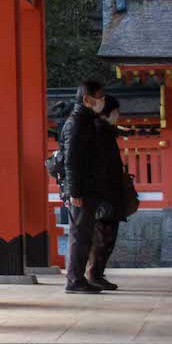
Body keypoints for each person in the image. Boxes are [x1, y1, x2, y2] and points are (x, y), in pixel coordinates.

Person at [59, 79, 109, 294]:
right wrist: (74, 191)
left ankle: (78, 278)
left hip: (89, 186)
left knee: (84, 234)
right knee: (80, 235)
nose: (102, 101)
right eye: (99, 96)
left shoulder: (87, 120)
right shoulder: (77, 122)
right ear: (87, 99)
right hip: (82, 189)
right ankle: (74, 280)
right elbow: (71, 160)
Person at [88, 95, 129, 291]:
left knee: (107, 236)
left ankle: (97, 273)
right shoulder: (99, 132)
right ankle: (94, 273)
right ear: (110, 112)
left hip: (109, 191)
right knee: (102, 237)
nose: (118, 116)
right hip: (104, 193)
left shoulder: (105, 132)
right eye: (117, 112)